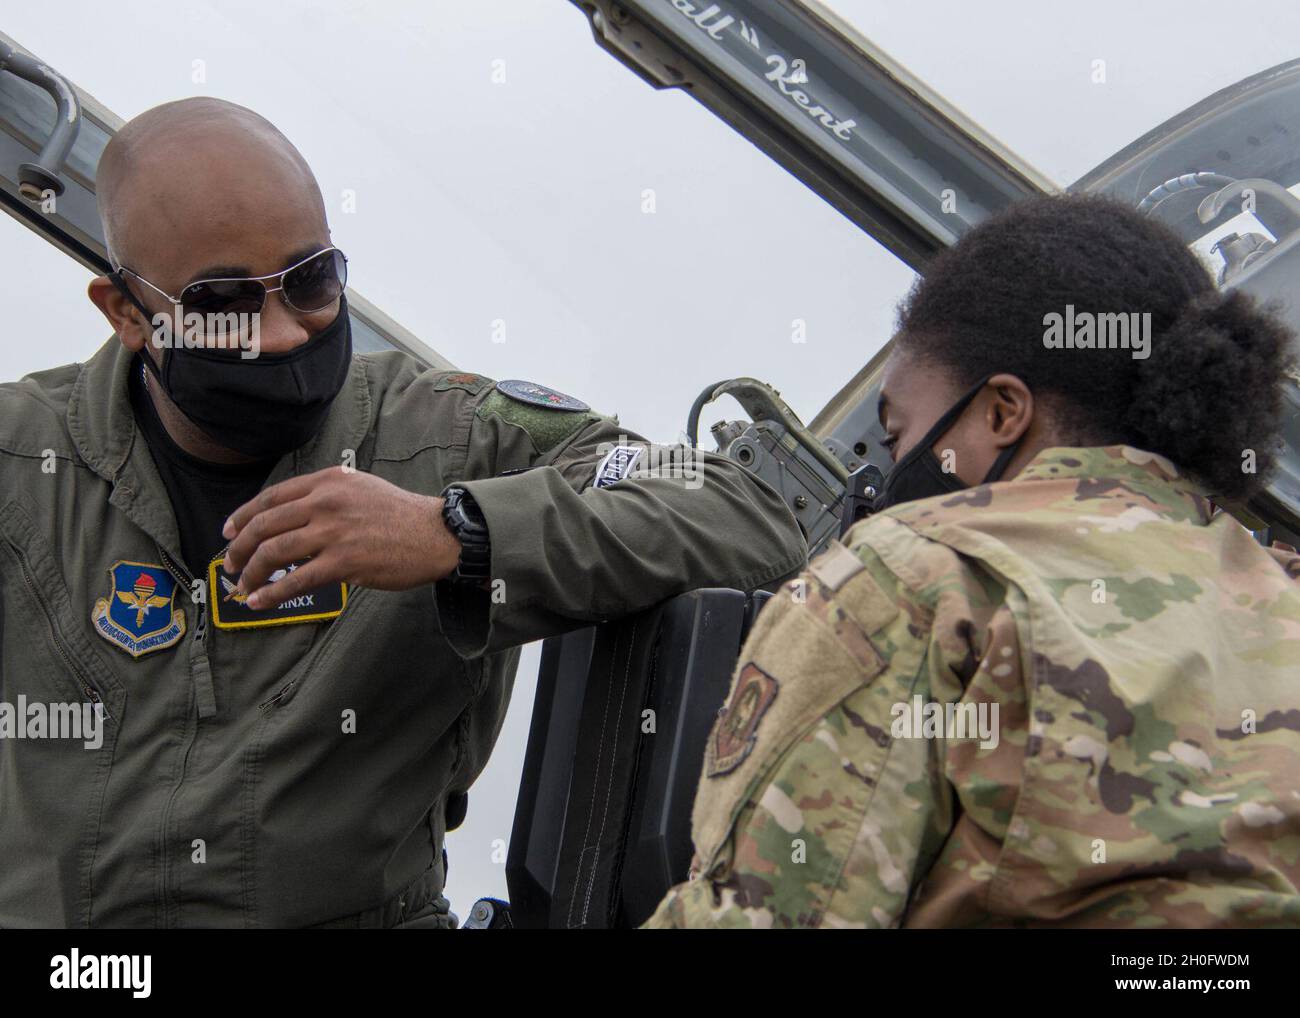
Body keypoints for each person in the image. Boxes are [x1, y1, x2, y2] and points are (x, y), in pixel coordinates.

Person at [0, 97, 806, 928]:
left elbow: (740, 506)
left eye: (310, 281)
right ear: (127, 312)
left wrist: (455, 533)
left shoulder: (453, 437)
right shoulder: (22, 462)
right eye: (224, 304)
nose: (281, 336)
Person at [647, 193, 1300, 928]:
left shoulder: (918, 579)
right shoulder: (1280, 601)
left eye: (896, 437)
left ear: (1000, 413)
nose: (894, 473)